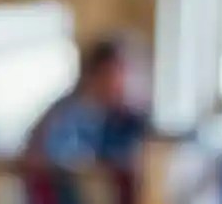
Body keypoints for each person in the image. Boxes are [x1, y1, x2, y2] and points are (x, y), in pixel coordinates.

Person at [23, 37, 149, 167]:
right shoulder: (65, 116)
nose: (121, 84)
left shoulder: (130, 119)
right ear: (94, 75)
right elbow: (41, 158)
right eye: (112, 74)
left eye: (125, 75)